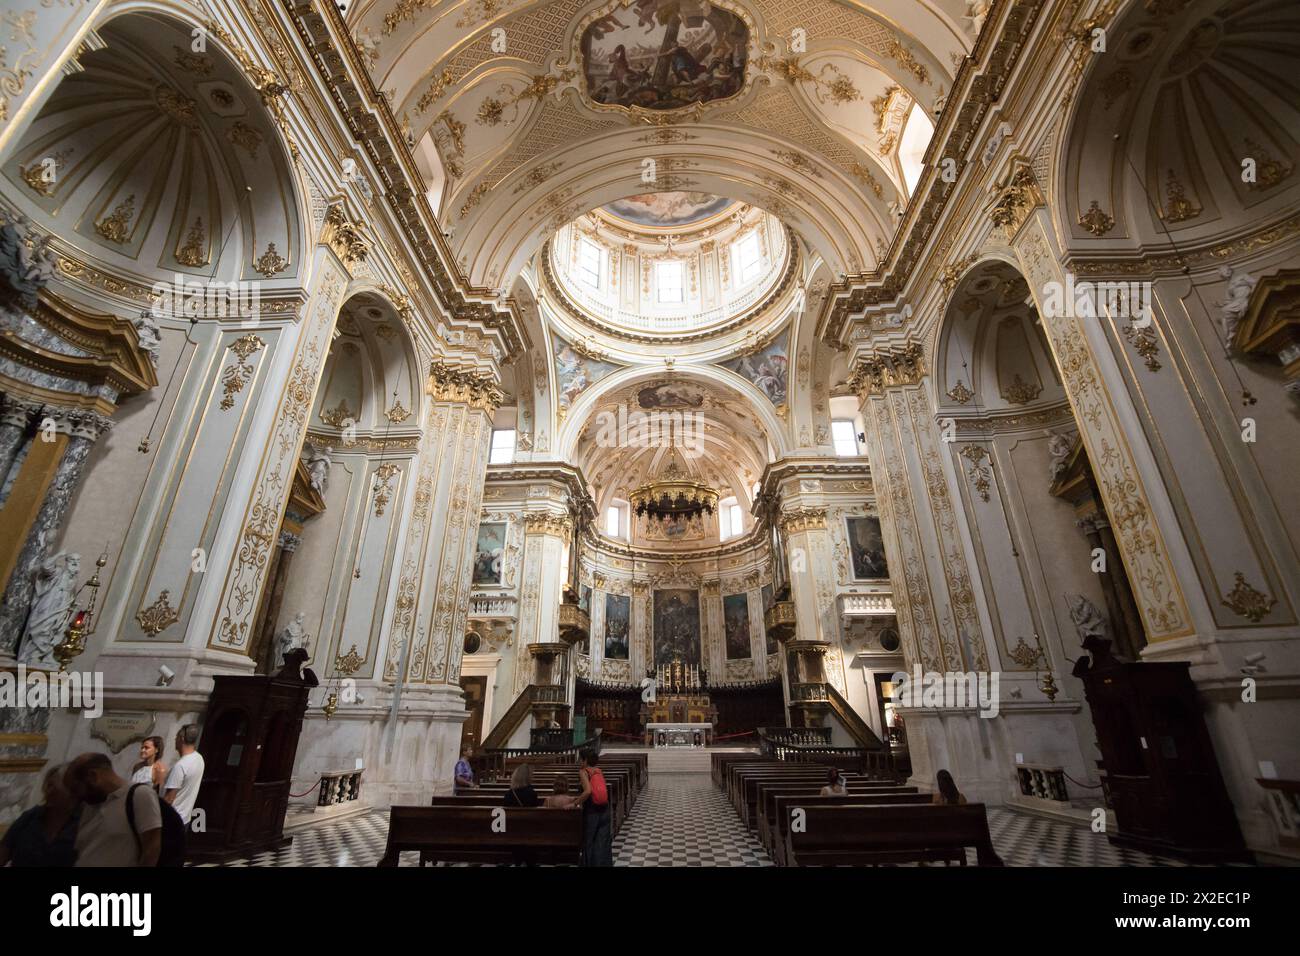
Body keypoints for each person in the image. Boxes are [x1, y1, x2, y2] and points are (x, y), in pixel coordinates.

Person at [64, 753, 160, 866]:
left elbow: (152, 848)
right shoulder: (89, 804)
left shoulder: (140, 795)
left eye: (76, 788)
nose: (76, 796)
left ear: (93, 776)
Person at [0, 764, 80, 866]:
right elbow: (3, 853)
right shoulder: (30, 817)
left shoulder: (84, 823)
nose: (48, 791)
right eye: (48, 785)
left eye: (53, 786)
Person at [575, 749, 613, 867]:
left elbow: (587, 792)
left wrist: (575, 802)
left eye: (580, 759)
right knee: (602, 841)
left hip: (592, 811)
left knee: (589, 841)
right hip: (604, 809)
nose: (579, 761)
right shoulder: (598, 770)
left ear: (585, 760)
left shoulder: (584, 771)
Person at [163, 724, 205, 826]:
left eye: (176, 737)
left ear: (181, 739)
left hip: (172, 819)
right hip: (185, 819)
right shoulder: (199, 758)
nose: (174, 739)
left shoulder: (180, 766)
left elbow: (169, 799)